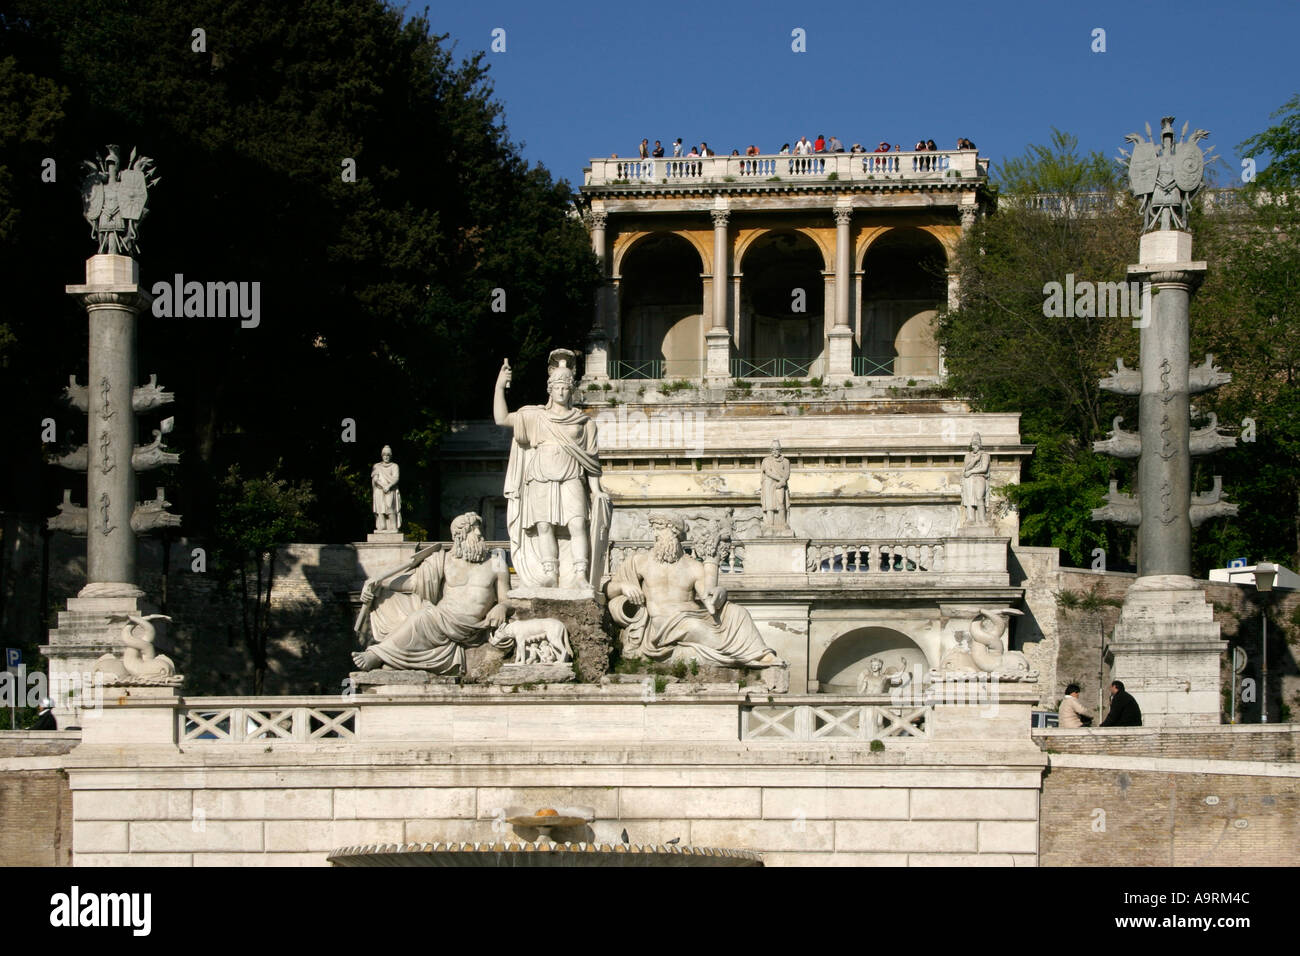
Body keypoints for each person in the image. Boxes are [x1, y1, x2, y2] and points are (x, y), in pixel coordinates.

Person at [606, 514, 781, 667]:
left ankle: (760, 653)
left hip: (692, 615)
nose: (655, 534)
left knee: (738, 612)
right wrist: (623, 586)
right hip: (664, 623)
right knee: (692, 625)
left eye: (659, 529)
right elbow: (608, 590)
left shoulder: (693, 566)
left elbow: (709, 599)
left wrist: (720, 593)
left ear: (674, 531)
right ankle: (745, 655)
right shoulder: (639, 561)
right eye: (654, 529)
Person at [495, 351, 606, 588]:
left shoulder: (584, 422)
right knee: (544, 526)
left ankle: (579, 575)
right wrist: (499, 386)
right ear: (550, 389)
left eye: (566, 387)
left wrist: (596, 491)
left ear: (571, 390)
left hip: (572, 474)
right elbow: (501, 419)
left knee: (577, 524)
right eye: (557, 387)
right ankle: (550, 573)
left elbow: (591, 462)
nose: (562, 392)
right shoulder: (535, 416)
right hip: (540, 475)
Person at [352, 513, 509, 673]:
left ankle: (378, 655)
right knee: (418, 614)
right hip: (441, 617)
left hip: (471, 627)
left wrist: (502, 607)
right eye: (473, 530)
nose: (479, 533)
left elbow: (508, 598)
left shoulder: (496, 563)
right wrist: (379, 583)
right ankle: (382, 656)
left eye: (479, 528)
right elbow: (413, 584)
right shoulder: (444, 560)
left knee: (421, 618)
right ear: (459, 536)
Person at [371, 445, 401, 533]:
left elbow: (396, 478)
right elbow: (375, 478)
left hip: (390, 489)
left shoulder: (394, 466)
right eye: (384, 455)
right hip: (379, 489)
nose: (386, 457)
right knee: (380, 508)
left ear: (390, 456)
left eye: (388, 455)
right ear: (382, 455)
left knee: (390, 507)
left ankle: (393, 527)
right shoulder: (377, 466)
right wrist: (383, 485)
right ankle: (382, 526)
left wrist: (388, 486)